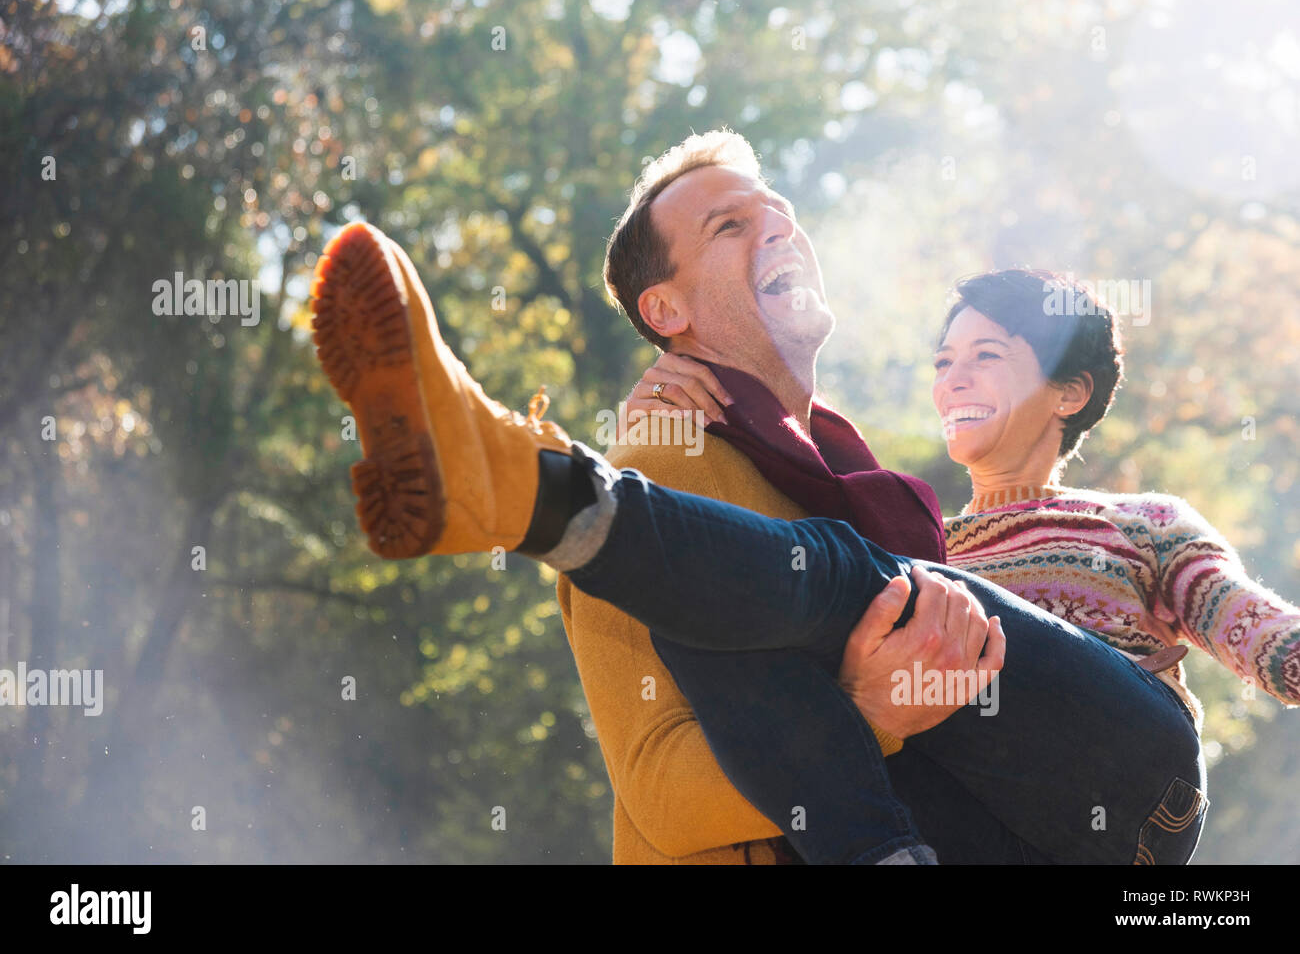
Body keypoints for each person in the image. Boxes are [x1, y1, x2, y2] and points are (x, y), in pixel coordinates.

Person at [307, 205, 1207, 865]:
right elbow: (659, 792)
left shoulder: (862, 482)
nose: (779, 229)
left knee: (828, 579)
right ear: (666, 311)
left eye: (781, 213)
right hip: (979, 836)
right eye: (731, 226)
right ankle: (507, 479)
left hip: (1123, 798)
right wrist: (868, 714)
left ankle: (512, 482)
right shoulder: (675, 460)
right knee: (757, 593)